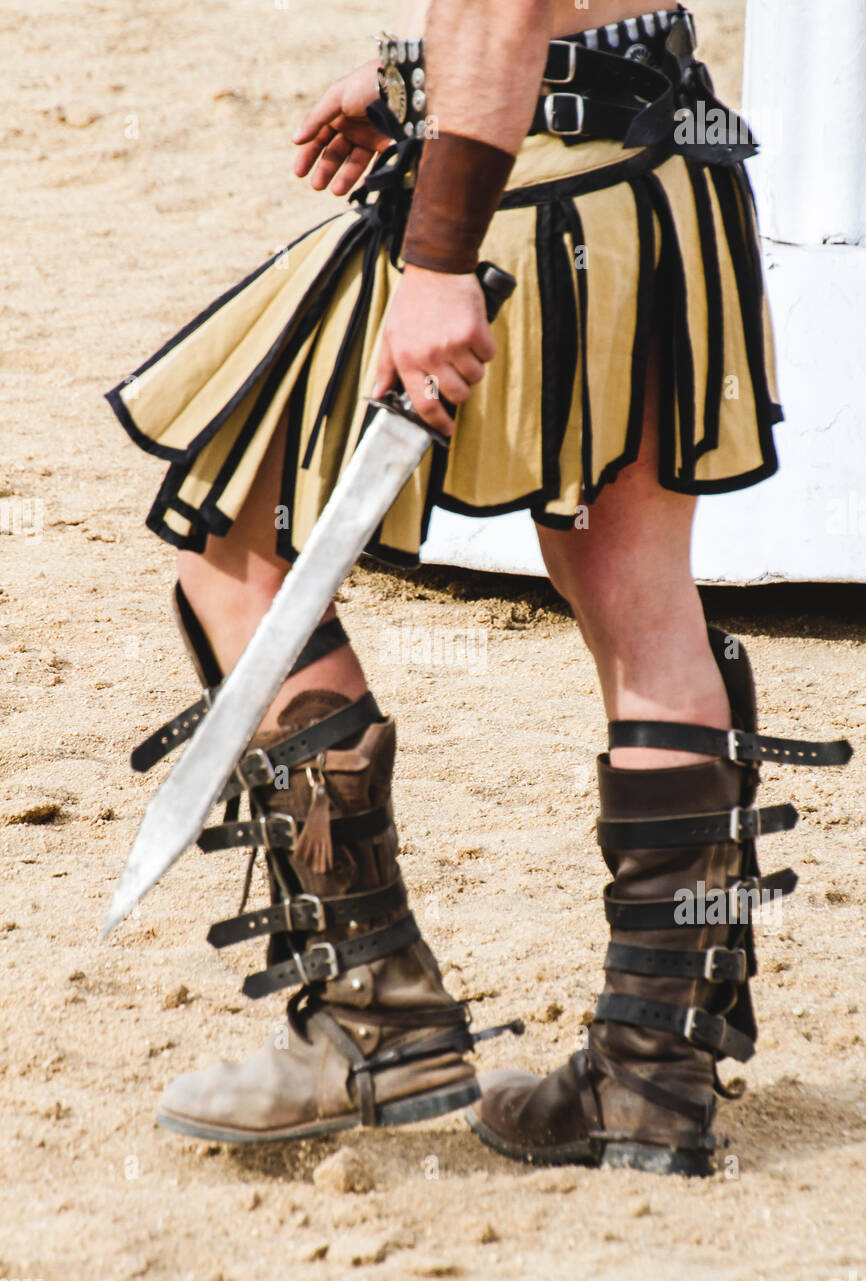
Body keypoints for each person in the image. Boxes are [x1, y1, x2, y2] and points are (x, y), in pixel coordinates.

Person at [108, 2, 851, 1175]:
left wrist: (439, 258)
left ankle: (372, 1016)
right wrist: (426, 74)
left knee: (235, 543)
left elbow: (502, 4)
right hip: (661, 159)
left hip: (529, 199)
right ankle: (649, 1077)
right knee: (643, 601)